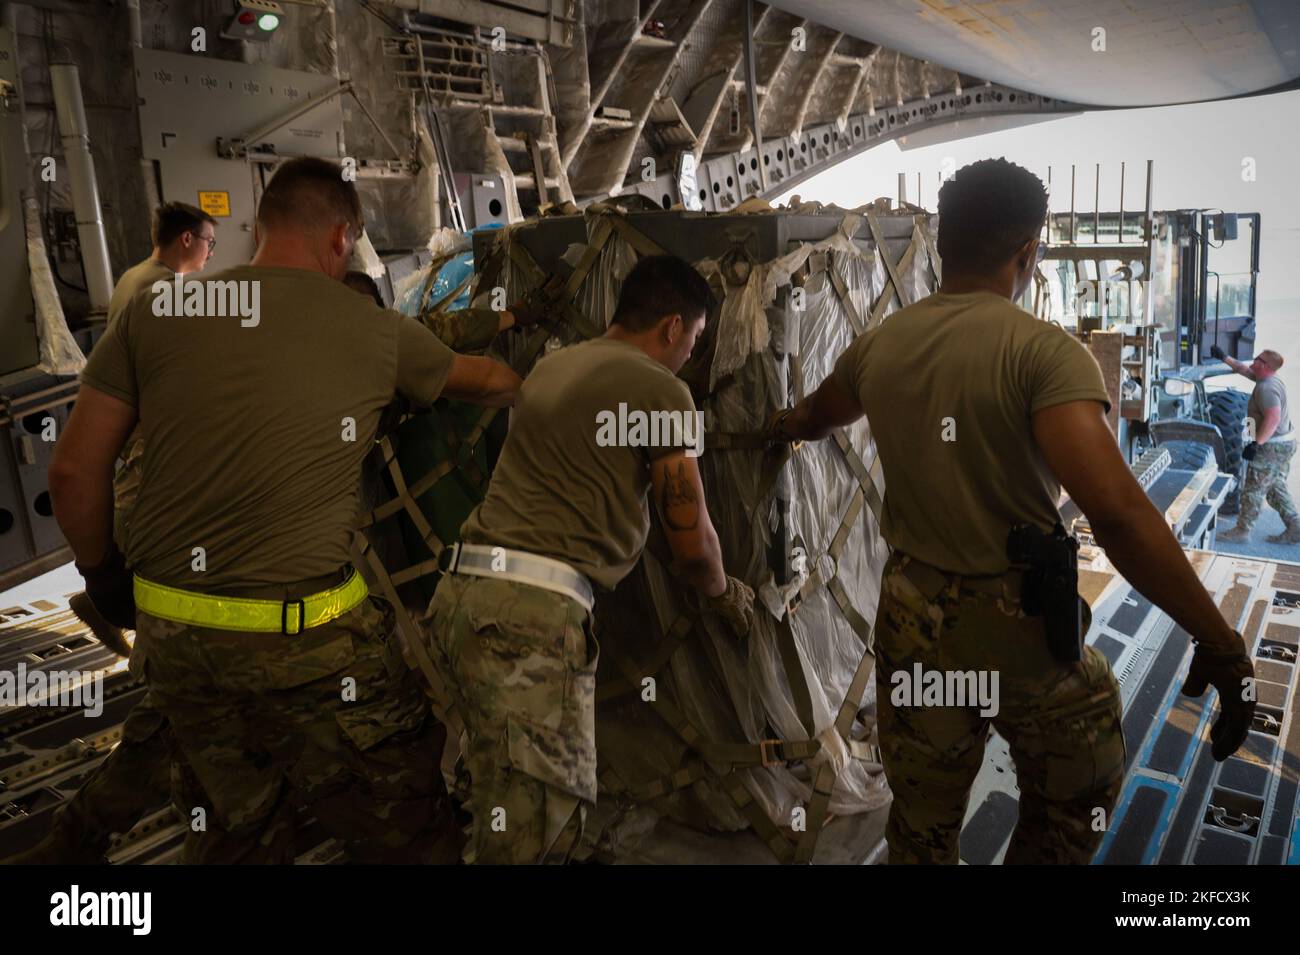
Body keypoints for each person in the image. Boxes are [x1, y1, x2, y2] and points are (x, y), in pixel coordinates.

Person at [768, 158, 1255, 864]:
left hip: (912, 621)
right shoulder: (1043, 354)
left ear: (945, 244)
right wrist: (1220, 640)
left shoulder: (879, 346)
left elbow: (813, 417)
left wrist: (771, 426)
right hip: (1019, 627)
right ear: (1028, 252)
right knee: (1074, 789)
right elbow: (1116, 514)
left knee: (922, 821)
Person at [45, 156, 521, 864]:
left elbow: (73, 470)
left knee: (235, 822)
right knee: (410, 819)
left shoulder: (158, 308)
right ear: (341, 238)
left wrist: (103, 575)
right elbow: (490, 383)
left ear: (259, 227)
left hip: (173, 637)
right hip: (310, 642)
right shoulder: (372, 329)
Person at [421, 254, 755, 864]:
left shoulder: (553, 366)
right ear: (674, 327)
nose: (692, 356)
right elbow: (691, 536)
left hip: (460, 600)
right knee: (540, 828)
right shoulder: (662, 390)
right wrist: (723, 591)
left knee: (494, 786)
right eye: (697, 340)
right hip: (528, 624)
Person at [6, 205, 225, 866]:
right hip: (159, 499)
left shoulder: (136, 279)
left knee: (177, 717)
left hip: (139, 492)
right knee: (184, 711)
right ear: (187, 239)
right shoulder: (165, 294)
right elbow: (76, 466)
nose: (212, 253)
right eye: (210, 242)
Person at [1211, 347, 1298, 543]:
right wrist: (1224, 357)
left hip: (1271, 447)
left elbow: (1273, 419)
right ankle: (1295, 526)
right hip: (1282, 444)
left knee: (1253, 489)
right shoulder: (1266, 378)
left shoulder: (1266, 388)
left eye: (1258, 359)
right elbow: (1244, 369)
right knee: (1275, 486)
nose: (1254, 360)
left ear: (1265, 366)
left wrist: (1256, 444)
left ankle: (1242, 532)